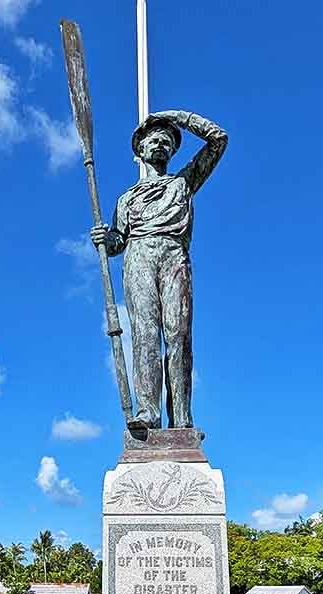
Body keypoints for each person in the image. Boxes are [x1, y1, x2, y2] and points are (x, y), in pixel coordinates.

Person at [90, 110, 227, 430]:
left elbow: (218, 139)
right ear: (139, 149)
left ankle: (182, 417)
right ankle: (148, 411)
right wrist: (104, 238)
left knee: (178, 336)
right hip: (139, 257)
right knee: (145, 335)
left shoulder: (183, 183)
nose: (161, 144)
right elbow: (117, 243)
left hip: (174, 255)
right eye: (154, 139)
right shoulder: (127, 198)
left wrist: (178, 118)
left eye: (167, 141)